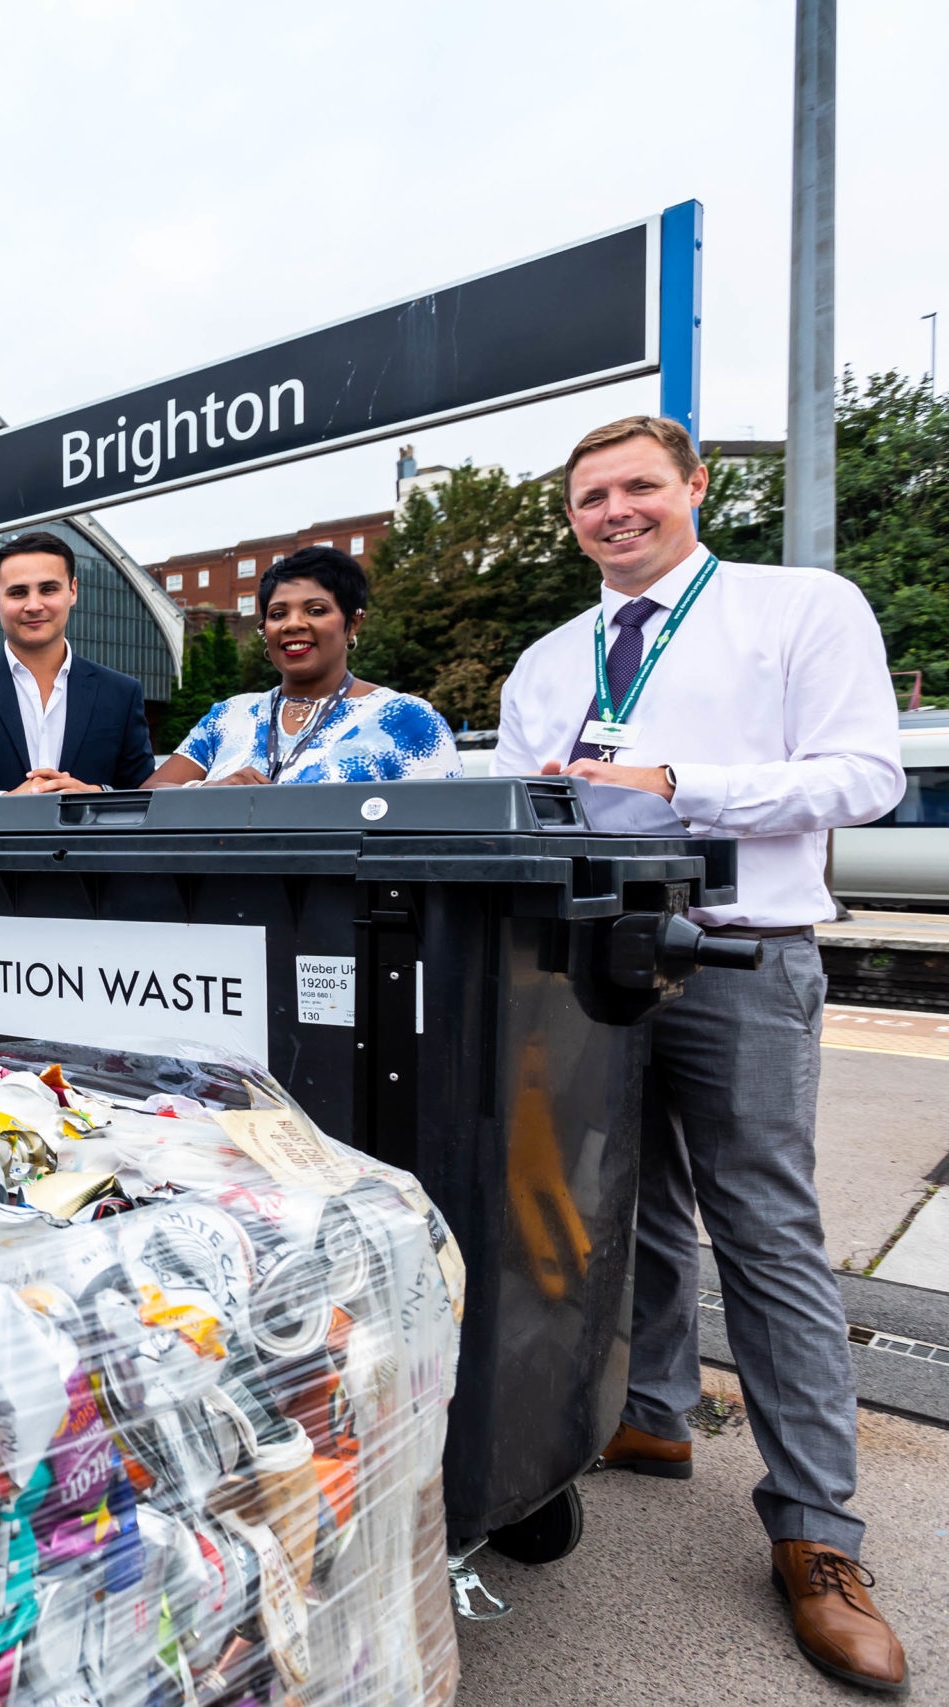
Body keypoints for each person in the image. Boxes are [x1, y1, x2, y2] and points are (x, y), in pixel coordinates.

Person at [494, 415, 907, 1693]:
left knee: (765, 1230)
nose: (612, 512)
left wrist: (684, 782)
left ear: (693, 489)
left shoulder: (799, 608)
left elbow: (867, 776)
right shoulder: (547, 662)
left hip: (740, 951)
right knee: (629, 1208)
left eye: (636, 489)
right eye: (588, 498)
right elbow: (520, 812)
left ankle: (815, 1534)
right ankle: (654, 1414)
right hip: (593, 960)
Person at [143, 546, 458, 786]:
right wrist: (209, 791)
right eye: (278, 614)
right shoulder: (227, 717)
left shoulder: (409, 720)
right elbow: (145, 798)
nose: (293, 624)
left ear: (353, 623)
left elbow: (443, 839)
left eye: (316, 610)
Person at [0, 530, 153, 795]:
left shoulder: (121, 694)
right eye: (18, 593)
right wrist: (3, 802)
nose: (34, 605)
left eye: (48, 589)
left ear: (73, 591)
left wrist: (98, 795)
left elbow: (143, 795)